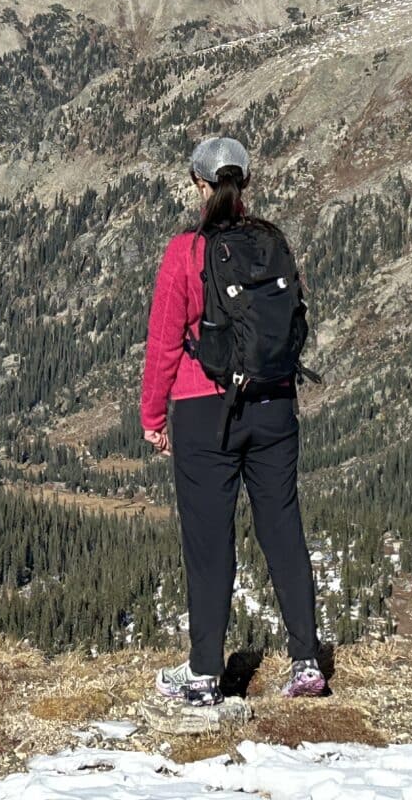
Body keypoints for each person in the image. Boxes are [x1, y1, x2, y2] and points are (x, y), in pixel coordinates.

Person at [141, 135, 326, 706]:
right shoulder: (273, 242)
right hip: (273, 406)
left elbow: (164, 342)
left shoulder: (186, 252)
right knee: (282, 529)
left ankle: (203, 676)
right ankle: (306, 664)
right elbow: (291, 320)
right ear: (243, 183)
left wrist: (153, 417)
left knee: (209, 542)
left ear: (200, 185)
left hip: (206, 412)